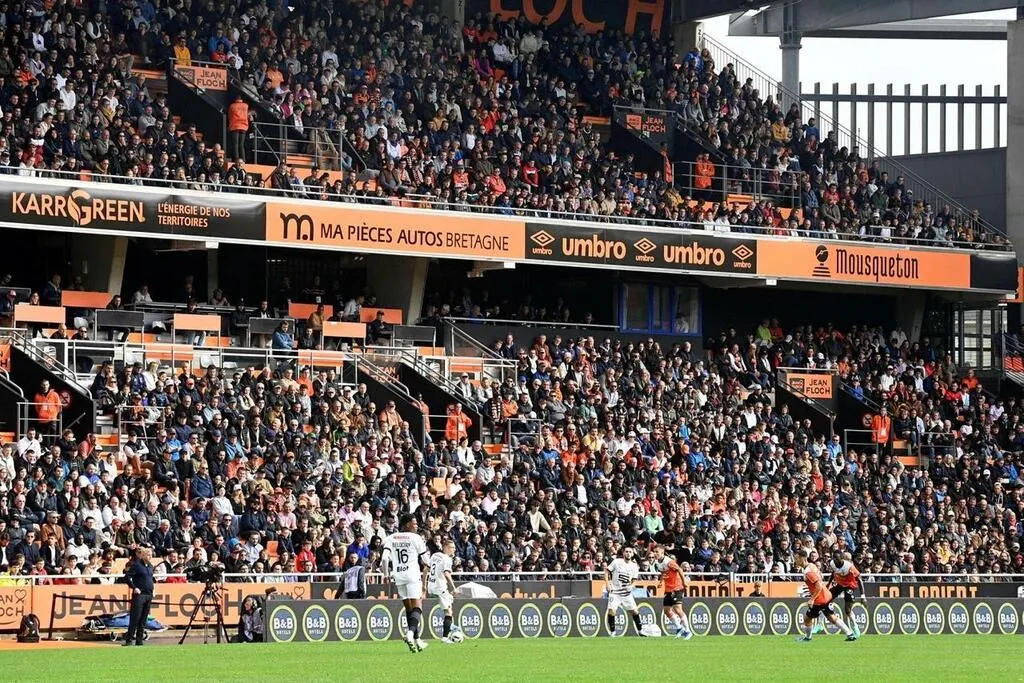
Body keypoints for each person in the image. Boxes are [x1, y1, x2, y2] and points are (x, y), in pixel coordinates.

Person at [381, 513, 430, 653]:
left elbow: (385, 559)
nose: (416, 526)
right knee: (418, 606)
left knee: (409, 608)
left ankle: (417, 640)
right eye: (414, 523)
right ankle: (409, 633)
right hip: (412, 574)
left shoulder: (391, 538)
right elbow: (425, 560)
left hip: (398, 575)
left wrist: (385, 574)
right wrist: (432, 565)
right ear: (407, 524)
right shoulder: (416, 538)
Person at [794, 548, 856, 642]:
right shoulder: (812, 565)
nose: (796, 560)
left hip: (819, 599)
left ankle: (808, 637)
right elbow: (820, 577)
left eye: (797, 558)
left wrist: (812, 599)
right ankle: (850, 634)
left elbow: (818, 585)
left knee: (807, 618)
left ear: (803, 558)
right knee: (831, 616)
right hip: (825, 595)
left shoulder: (808, 571)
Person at [653, 545, 692, 639]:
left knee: (678, 609)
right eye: (654, 551)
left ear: (662, 553)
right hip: (668, 589)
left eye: (657, 552)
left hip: (677, 587)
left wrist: (684, 582)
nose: (655, 553)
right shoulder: (657, 563)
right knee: (666, 610)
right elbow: (663, 573)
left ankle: (688, 631)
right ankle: (679, 628)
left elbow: (679, 569)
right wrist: (661, 582)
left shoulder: (669, 561)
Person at [604, 547, 645, 637]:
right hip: (615, 592)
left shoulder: (634, 566)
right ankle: (613, 632)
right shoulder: (617, 562)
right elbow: (606, 572)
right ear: (623, 553)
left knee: (634, 612)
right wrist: (607, 584)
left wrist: (631, 586)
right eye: (626, 551)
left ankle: (640, 631)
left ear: (632, 554)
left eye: (630, 552)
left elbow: (634, 580)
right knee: (612, 611)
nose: (628, 553)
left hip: (626, 594)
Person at [827, 551, 865, 637]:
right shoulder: (832, 563)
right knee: (826, 598)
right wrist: (829, 584)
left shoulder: (849, 566)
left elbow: (859, 579)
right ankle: (820, 624)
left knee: (847, 610)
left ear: (842, 558)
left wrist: (863, 596)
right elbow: (833, 572)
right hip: (840, 584)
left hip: (850, 585)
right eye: (834, 557)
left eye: (837, 558)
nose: (835, 559)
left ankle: (855, 625)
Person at [427, 539, 459, 643]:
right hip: (440, 587)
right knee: (448, 612)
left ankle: (451, 626)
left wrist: (424, 586)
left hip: (431, 585)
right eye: (452, 547)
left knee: (450, 602)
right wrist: (454, 588)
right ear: (445, 547)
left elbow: (424, 570)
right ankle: (445, 638)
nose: (453, 550)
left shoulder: (435, 555)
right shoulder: (447, 559)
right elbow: (446, 574)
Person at [123, 546, 155, 646]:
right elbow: (127, 577)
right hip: (140, 594)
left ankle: (139, 640)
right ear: (143, 555)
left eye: (151, 555)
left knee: (144, 619)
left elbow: (150, 579)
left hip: (148, 594)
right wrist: (134, 587)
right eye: (148, 555)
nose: (150, 557)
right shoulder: (136, 566)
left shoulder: (150, 566)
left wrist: (153, 589)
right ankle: (129, 639)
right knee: (135, 618)